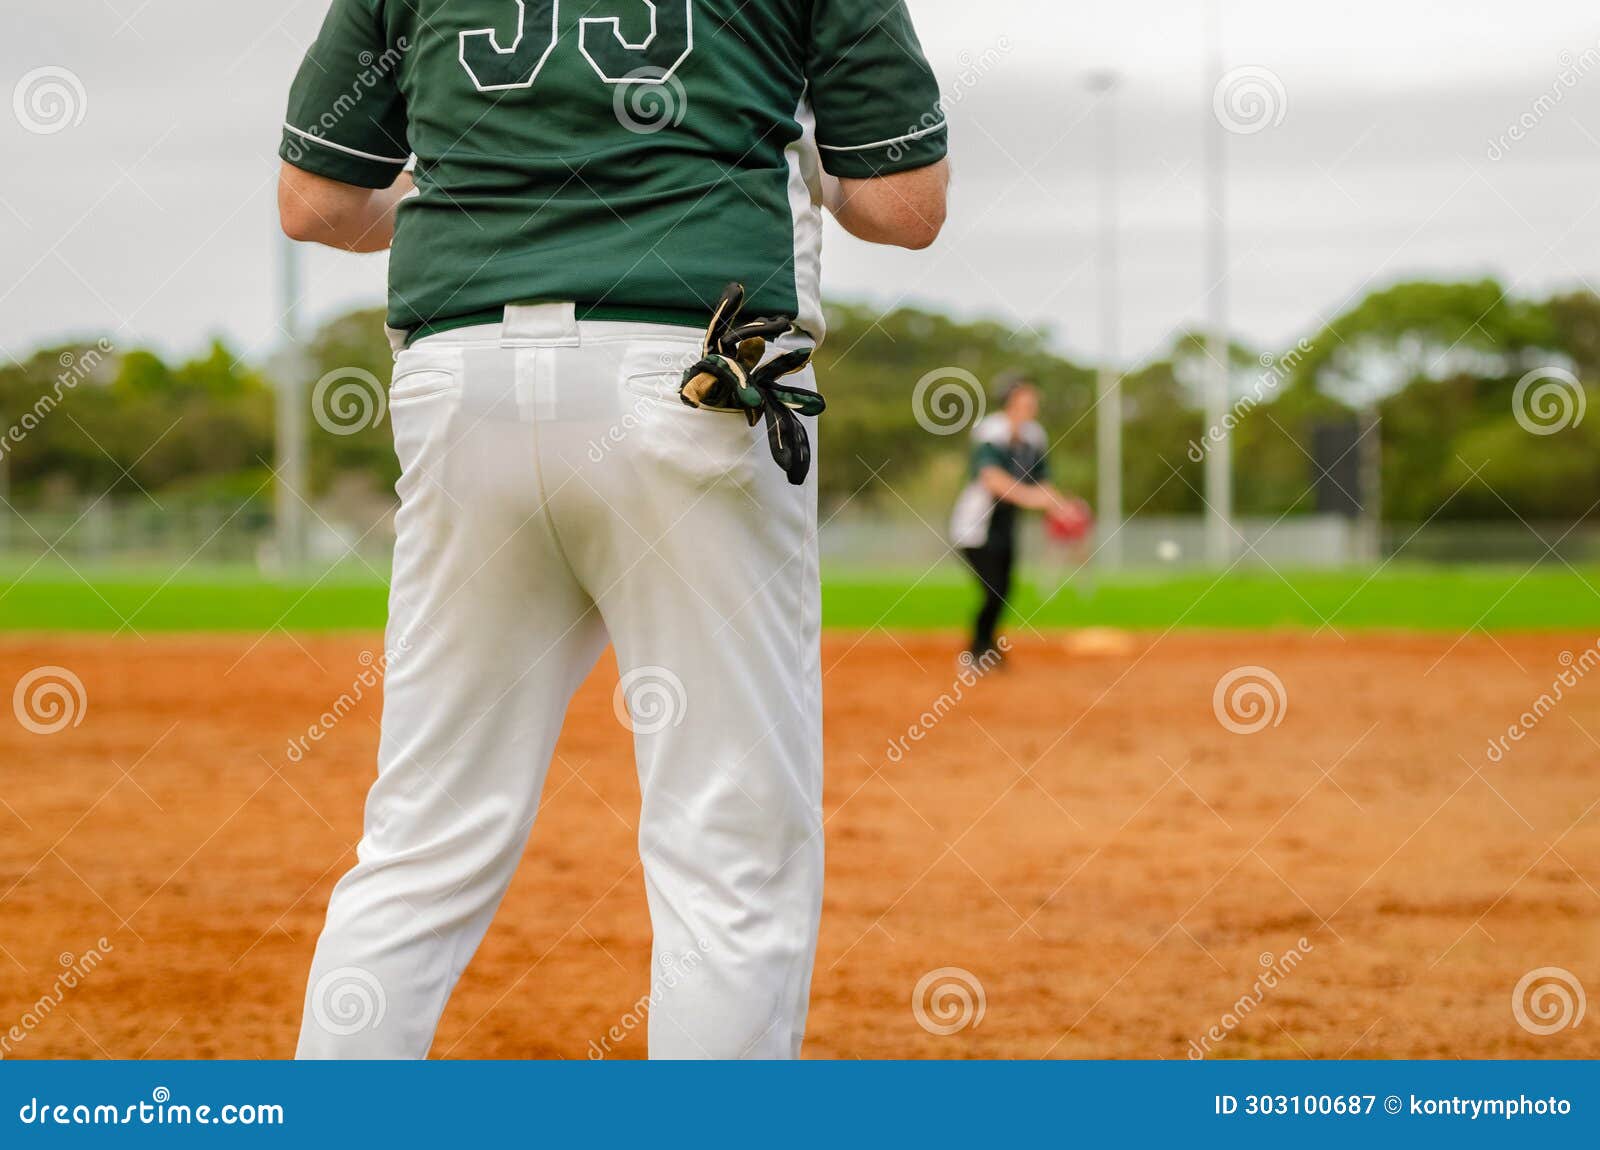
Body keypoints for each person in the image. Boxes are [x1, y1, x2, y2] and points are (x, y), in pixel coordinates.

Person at [277, 0, 948, 1060]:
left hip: (462, 376)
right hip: (693, 372)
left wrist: (479, 193)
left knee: (421, 839)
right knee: (728, 854)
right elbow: (903, 204)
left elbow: (316, 202)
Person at [948, 377, 1081, 663]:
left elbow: (1043, 481)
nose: (1032, 407)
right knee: (993, 588)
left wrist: (1061, 507)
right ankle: (977, 650)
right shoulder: (991, 431)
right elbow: (992, 479)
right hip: (977, 525)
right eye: (1025, 401)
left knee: (1005, 588)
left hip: (1006, 524)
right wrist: (1037, 500)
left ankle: (987, 646)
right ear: (1010, 404)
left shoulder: (1034, 435)